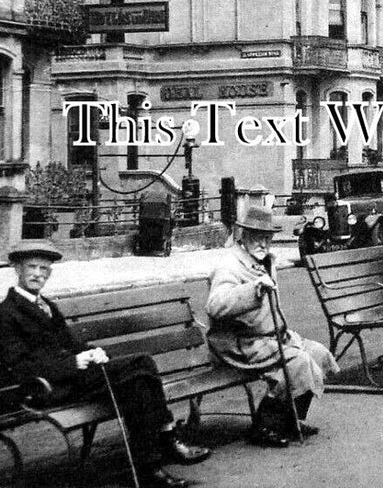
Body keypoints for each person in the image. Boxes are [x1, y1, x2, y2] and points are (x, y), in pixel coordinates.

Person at [0, 241, 210, 488]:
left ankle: (151, 469)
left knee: (138, 382)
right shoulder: (7, 313)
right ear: (17, 268)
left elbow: (70, 342)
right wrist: (72, 363)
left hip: (72, 378)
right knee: (141, 364)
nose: (38, 274)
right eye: (31, 267)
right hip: (44, 388)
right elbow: (19, 366)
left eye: (44, 269)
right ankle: (166, 437)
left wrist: (92, 352)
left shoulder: (46, 305)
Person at [206, 207, 338, 448]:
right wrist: (252, 289)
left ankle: (292, 419)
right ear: (242, 235)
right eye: (257, 236)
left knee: (317, 352)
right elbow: (215, 305)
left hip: (270, 337)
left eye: (267, 237)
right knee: (298, 362)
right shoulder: (230, 265)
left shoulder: (265, 262)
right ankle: (265, 426)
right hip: (239, 343)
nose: (263, 243)